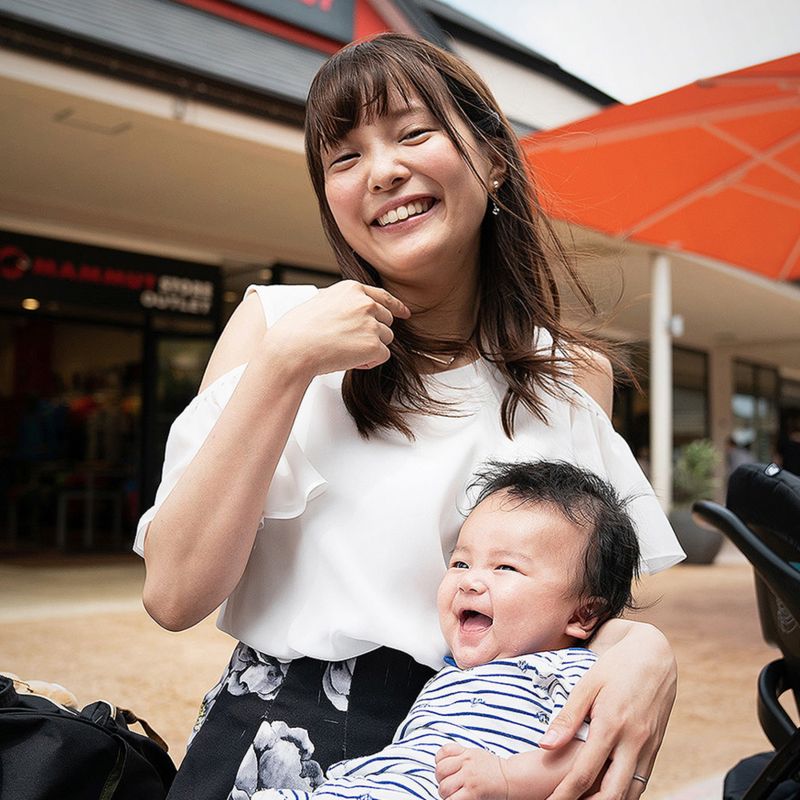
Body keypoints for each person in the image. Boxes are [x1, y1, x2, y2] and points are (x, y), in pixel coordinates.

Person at [136, 33, 684, 800]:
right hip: (278, 754)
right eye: (343, 157)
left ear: (492, 157)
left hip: (489, 756)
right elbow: (173, 595)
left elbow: (584, 605)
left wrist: (645, 645)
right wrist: (286, 368)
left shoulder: (573, 376)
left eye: (412, 132)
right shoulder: (277, 324)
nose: (382, 171)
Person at [234, 460, 642, 800]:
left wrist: (505, 778)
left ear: (582, 616)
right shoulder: (450, 674)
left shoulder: (572, 672)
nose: (469, 581)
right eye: (461, 563)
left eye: (505, 567)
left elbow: (592, 756)